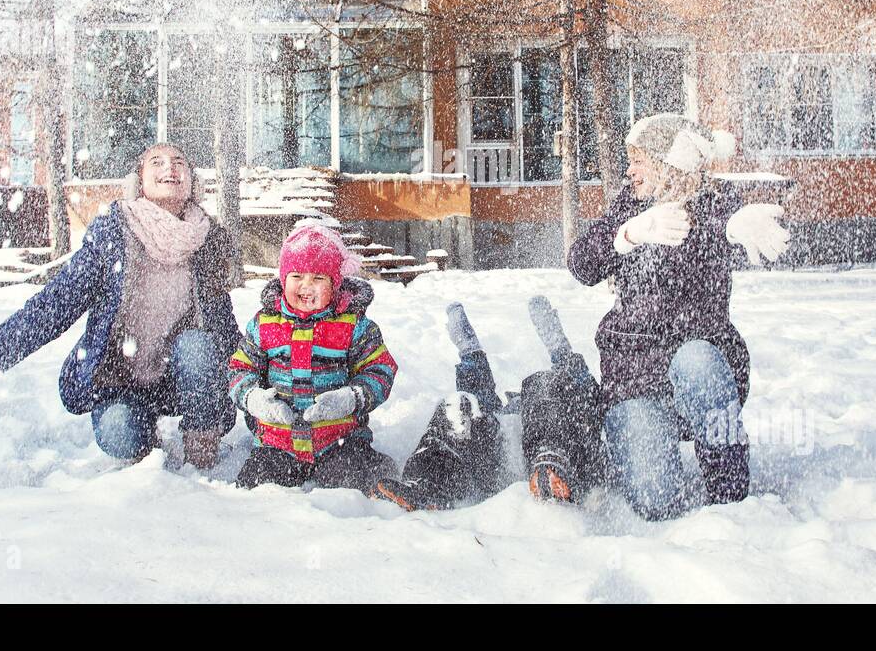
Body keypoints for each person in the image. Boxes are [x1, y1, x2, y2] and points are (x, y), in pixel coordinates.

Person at [0, 143, 241, 469]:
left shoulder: (207, 241)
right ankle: (144, 449)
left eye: (178, 161)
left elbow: (224, 330)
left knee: (198, 344)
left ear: (191, 181)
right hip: (120, 379)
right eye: (156, 161)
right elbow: (51, 308)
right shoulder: (115, 237)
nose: (170, 167)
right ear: (139, 181)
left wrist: (273, 382)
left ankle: (202, 450)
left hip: (177, 380)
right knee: (119, 434)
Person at [564, 114, 789, 519]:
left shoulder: (712, 207)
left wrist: (733, 228)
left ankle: (731, 493)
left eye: (639, 160)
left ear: (670, 165)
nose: (629, 170)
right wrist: (628, 235)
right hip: (634, 381)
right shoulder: (628, 208)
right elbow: (581, 263)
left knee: (698, 358)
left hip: (696, 378)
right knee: (655, 500)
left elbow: (713, 230)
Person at [370, 295, 602, 511]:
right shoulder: (497, 420)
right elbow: (479, 402)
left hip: (552, 453)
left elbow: (586, 393)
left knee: (544, 384)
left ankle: (551, 470)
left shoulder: (549, 397)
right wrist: (471, 353)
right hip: (492, 464)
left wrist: (560, 349)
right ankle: (426, 483)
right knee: (459, 404)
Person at [230, 223, 398, 492]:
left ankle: (377, 472)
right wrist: (253, 399)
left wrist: (353, 398)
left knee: (350, 484)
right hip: (277, 444)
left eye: (319, 278)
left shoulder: (354, 326)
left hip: (339, 441)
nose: (307, 285)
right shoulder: (264, 325)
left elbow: (380, 369)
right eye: (297, 276)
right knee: (254, 489)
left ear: (335, 283)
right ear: (284, 280)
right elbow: (240, 368)